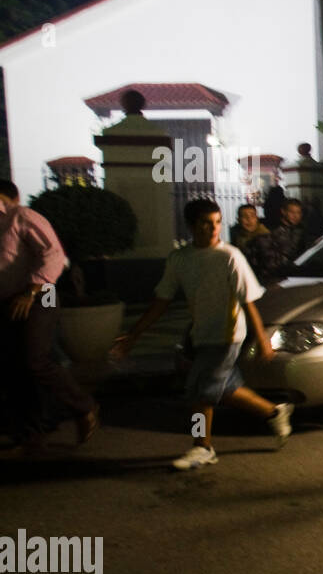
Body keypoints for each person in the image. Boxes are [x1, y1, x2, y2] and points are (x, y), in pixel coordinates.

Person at [111, 199, 292, 470]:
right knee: (225, 388)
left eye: (217, 222)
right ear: (192, 226)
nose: (213, 229)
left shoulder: (230, 256)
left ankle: (202, 448)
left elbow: (249, 302)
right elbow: (162, 300)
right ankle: (274, 412)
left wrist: (263, 340)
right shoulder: (180, 259)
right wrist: (134, 335)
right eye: (207, 223)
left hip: (229, 335)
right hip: (201, 333)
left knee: (199, 391)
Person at [0, 179, 98, 449]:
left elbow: (53, 254)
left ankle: (83, 407)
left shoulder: (21, 216)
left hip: (41, 294)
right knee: (14, 367)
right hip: (7, 300)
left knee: (35, 359)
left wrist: (31, 292)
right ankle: (32, 431)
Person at [247, 199, 307, 284]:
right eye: (292, 212)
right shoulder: (269, 231)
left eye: (298, 213)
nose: (296, 216)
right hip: (271, 277)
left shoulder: (302, 232)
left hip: (295, 276)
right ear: (283, 212)